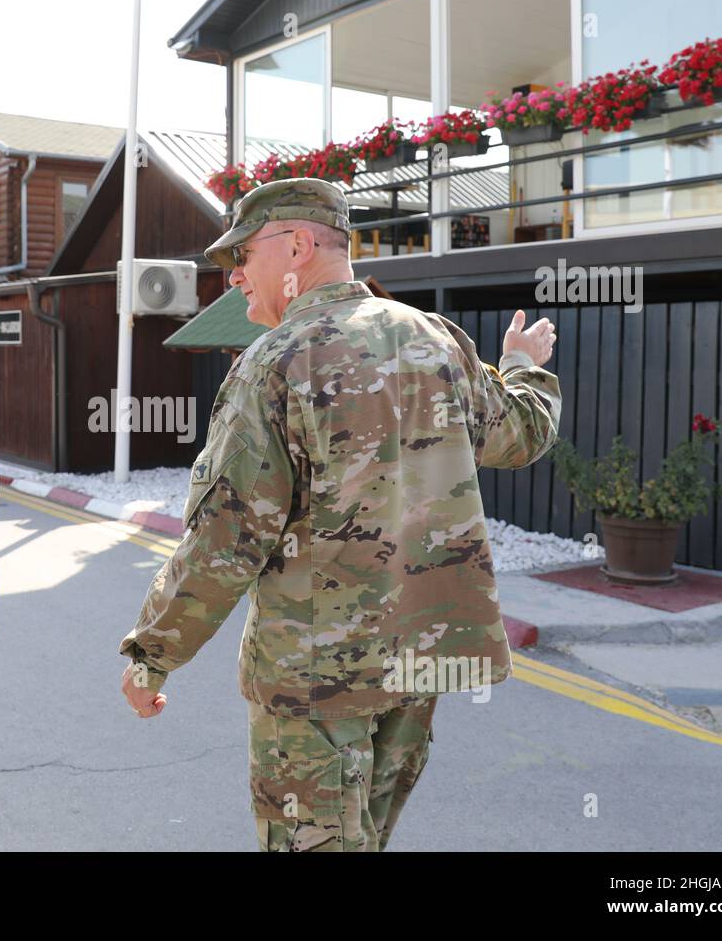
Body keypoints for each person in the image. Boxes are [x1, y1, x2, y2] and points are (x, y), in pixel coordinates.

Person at [118, 177, 560, 851]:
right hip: (418, 668)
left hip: (316, 681)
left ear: (296, 245)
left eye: (243, 255)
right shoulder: (435, 341)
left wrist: (153, 654)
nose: (234, 275)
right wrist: (520, 366)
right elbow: (522, 435)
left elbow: (227, 539)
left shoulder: (274, 362)